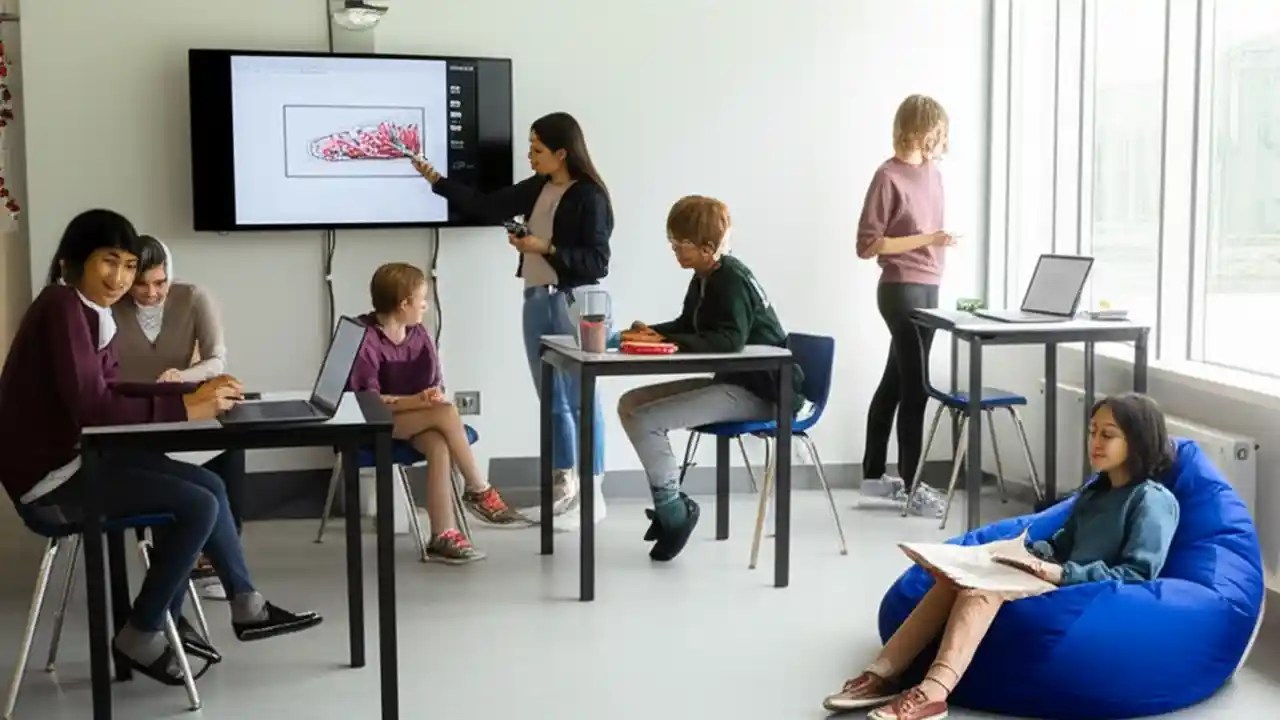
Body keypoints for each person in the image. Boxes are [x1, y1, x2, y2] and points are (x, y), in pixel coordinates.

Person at [0, 209, 321, 686]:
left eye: (129, 265)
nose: (121, 277)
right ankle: (145, 629)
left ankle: (236, 608)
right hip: (52, 481)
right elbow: (93, 407)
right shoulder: (61, 306)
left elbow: (114, 389)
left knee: (209, 485)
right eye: (110, 261)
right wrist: (189, 408)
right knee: (195, 504)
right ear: (73, 260)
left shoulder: (90, 311)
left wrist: (193, 394)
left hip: (75, 459)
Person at [822, 393, 1181, 719]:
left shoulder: (1152, 501)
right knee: (954, 578)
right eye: (1092, 431)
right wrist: (1020, 555)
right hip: (1055, 575)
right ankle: (882, 674)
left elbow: (1137, 572)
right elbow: (1061, 541)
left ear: (1137, 441)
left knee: (983, 589)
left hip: (1084, 592)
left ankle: (933, 693)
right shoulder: (1095, 493)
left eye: (1108, 434)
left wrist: (1058, 573)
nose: (1095, 442)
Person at [412, 112, 611, 531]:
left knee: (581, 398)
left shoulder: (589, 195)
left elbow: (598, 261)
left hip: (575, 303)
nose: (530, 156)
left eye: (537, 149)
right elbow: (487, 205)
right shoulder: (540, 186)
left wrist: (544, 246)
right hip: (537, 298)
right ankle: (564, 488)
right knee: (551, 399)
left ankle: (593, 494)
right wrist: (436, 180)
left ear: (562, 152)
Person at [616, 195, 805, 561]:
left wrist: (669, 341)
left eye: (679, 244)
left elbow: (729, 340)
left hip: (761, 389)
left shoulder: (730, 280)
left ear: (706, 248)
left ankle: (674, 509)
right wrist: (649, 332)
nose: (673, 250)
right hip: (734, 381)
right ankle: (673, 504)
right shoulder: (703, 277)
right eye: (671, 241)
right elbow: (689, 326)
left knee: (647, 419)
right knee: (630, 404)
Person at [347, 262, 531, 564]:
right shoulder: (365, 337)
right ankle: (479, 490)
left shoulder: (419, 335)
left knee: (439, 442)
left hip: (415, 418)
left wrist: (426, 398)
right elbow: (370, 401)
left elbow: (434, 385)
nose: (425, 305)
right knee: (445, 414)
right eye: (421, 298)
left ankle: (443, 534)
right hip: (373, 421)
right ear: (404, 302)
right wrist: (420, 401)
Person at [112, 233, 245, 600]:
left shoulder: (194, 297)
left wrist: (180, 376)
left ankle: (218, 557)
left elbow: (217, 359)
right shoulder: (110, 308)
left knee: (229, 447)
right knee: (177, 476)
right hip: (133, 416)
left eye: (160, 282)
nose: (151, 293)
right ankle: (176, 563)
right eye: (141, 284)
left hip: (179, 405)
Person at [856, 94, 957, 518]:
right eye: (936, 131)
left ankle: (874, 479)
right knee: (915, 387)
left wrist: (936, 245)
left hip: (930, 286)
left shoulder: (933, 173)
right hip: (899, 289)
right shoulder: (887, 177)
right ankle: (913, 484)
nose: (941, 140)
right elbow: (867, 245)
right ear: (920, 129)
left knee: (895, 383)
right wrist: (927, 240)